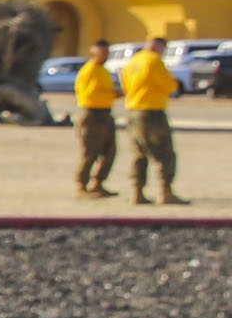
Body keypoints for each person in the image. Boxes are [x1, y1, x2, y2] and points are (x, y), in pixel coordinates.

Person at [122, 36, 187, 205]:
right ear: (160, 47)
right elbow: (167, 84)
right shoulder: (154, 61)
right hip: (152, 112)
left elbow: (125, 85)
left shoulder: (132, 62)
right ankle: (166, 192)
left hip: (133, 111)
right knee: (165, 153)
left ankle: (137, 192)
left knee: (139, 153)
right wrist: (175, 85)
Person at [73, 39, 118, 199]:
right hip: (92, 114)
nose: (105, 56)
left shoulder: (103, 70)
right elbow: (90, 94)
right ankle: (81, 185)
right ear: (94, 54)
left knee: (109, 150)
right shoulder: (89, 70)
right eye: (102, 53)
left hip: (105, 113)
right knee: (90, 151)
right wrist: (112, 94)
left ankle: (98, 183)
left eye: (107, 53)